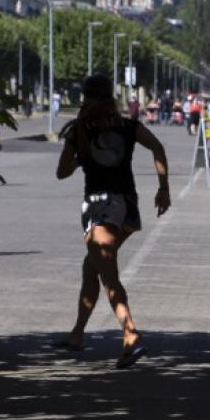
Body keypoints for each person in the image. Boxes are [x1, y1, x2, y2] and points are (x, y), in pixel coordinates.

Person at [56, 74, 169, 366]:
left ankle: (130, 335)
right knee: (91, 267)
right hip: (127, 207)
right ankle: (77, 334)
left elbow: (62, 171)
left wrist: (82, 148)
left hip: (100, 206)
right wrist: (163, 188)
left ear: (86, 98)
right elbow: (158, 147)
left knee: (107, 271)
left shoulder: (81, 129)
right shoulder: (128, 126)